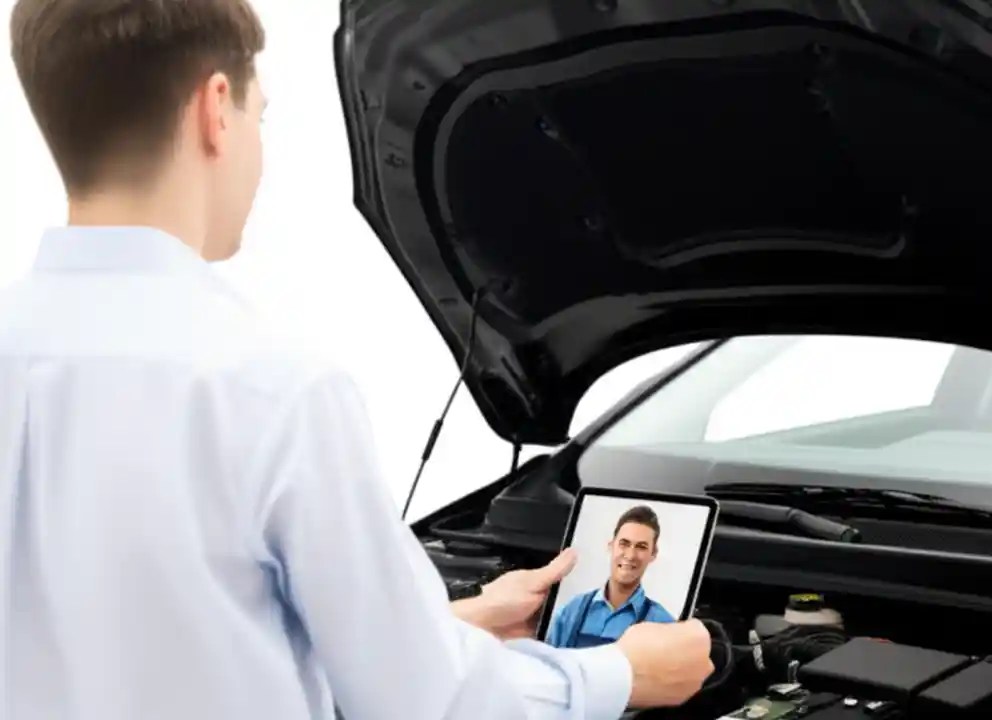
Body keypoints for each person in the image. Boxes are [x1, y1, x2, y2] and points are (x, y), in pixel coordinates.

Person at [0, 1, 712, 719]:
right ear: (216, 110)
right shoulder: (270, 391)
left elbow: (147, 642)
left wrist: (452, 622)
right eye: (261, 115)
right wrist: (621, 673)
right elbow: (424, 701)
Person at [548, 506, 676, 649]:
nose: (630, 555)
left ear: (653, 554)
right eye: (624, 544)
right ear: (611, 546)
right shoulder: (571, 610)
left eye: (641, 547)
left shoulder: (664, 626)